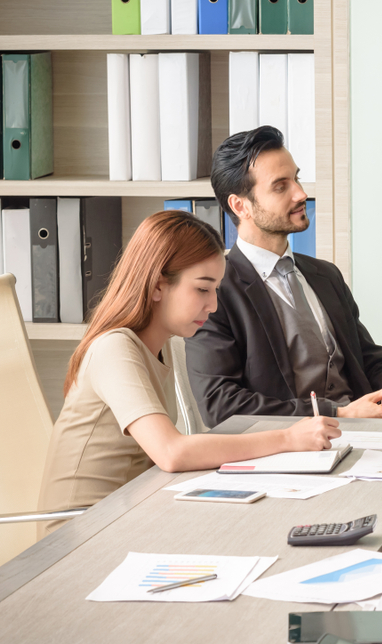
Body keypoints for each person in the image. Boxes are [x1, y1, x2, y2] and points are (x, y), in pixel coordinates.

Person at [37, 211, 341, 537]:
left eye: (216, 291)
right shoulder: (114, 348)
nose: (212, 306)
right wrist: (287, 438)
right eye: (202, 289)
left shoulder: (164, 345)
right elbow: (172, 452)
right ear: (157, 286)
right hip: (79, 534)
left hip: (127, 512)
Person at [185, 126, 382, 427]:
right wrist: (337, 414)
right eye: (280, 186)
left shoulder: (325, 275)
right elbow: (222, 405)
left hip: (367, 442)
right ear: (241, 206)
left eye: (297, 178)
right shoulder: (216, 293)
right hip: (286, 455)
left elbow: (372, 361)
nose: (301, 194)